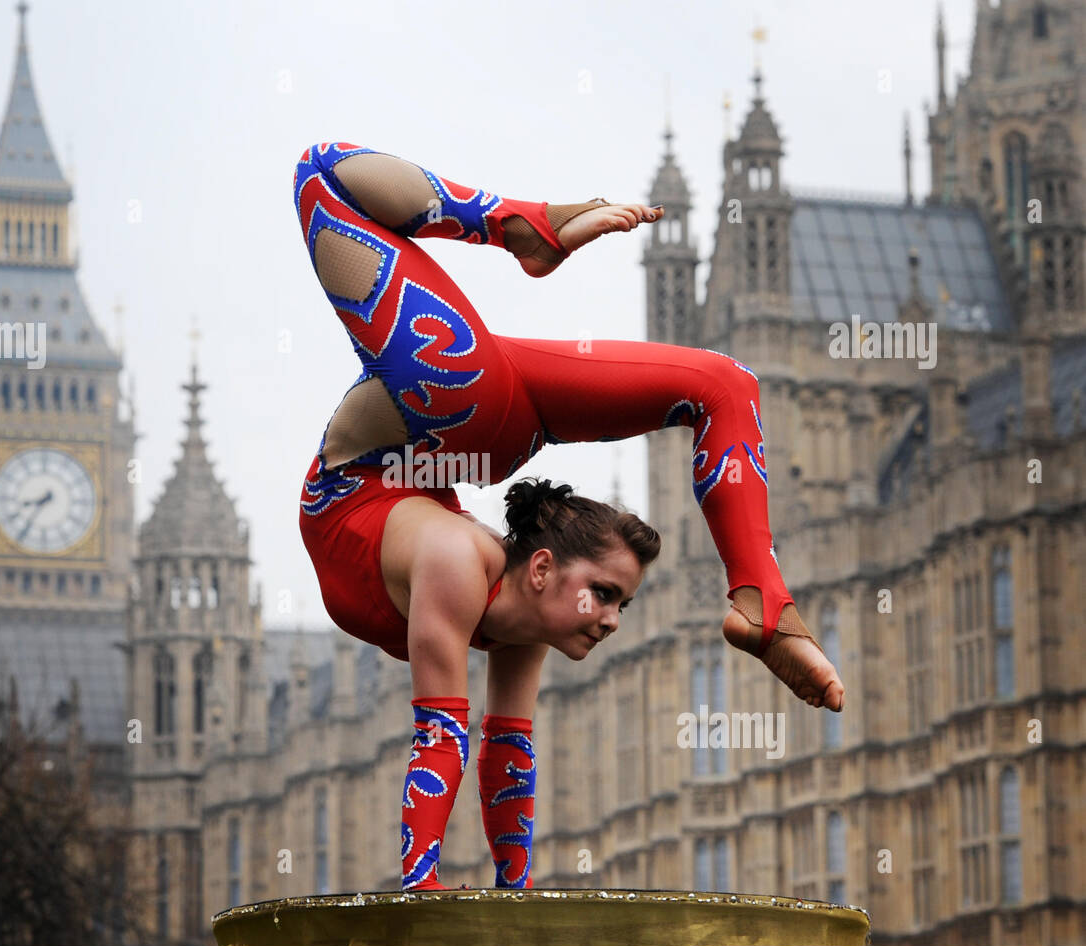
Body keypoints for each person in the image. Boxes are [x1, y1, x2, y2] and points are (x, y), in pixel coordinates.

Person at [293, 141, 846, 892]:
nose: (612, 620)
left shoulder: (514, 611)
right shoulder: (459, 563)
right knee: (320, 170)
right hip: (449, 417)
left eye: (619, 600)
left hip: (460, 427)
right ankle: (524, 226)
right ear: (545, 565)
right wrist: (418, 892)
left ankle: (762, 600)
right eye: (608, 594)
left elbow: (505, 750)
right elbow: (441, 731)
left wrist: (513, 899)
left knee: (728, 383)